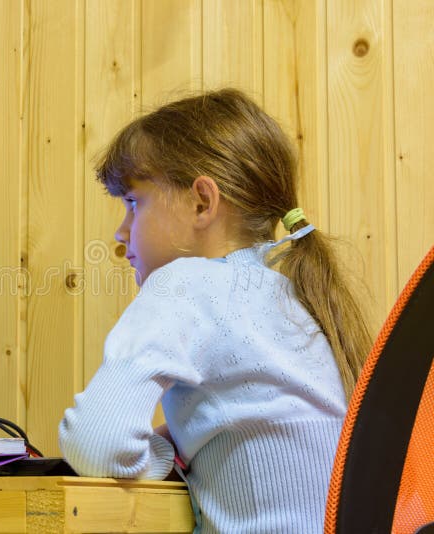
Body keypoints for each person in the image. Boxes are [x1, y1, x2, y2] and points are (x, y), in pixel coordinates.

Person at [58, 88, 372, 533]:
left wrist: (166, 454)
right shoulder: (297, 295)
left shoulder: (186, 283)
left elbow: (94, 442)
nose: (120, 233)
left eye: (133, 202)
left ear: (202, 202)